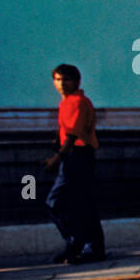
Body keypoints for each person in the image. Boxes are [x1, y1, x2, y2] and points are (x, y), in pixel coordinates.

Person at [44, 64, 105, 264]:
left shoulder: (77, 102)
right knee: (82, 203)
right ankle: (91, 247)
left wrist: (56, 159)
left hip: (77, 156)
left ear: (77, 81)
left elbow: (72, 135)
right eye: (57, 79)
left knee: (56, 201)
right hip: (78, 156)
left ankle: (77, 242)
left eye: (66, 79)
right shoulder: (68, 102)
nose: (61, 84)